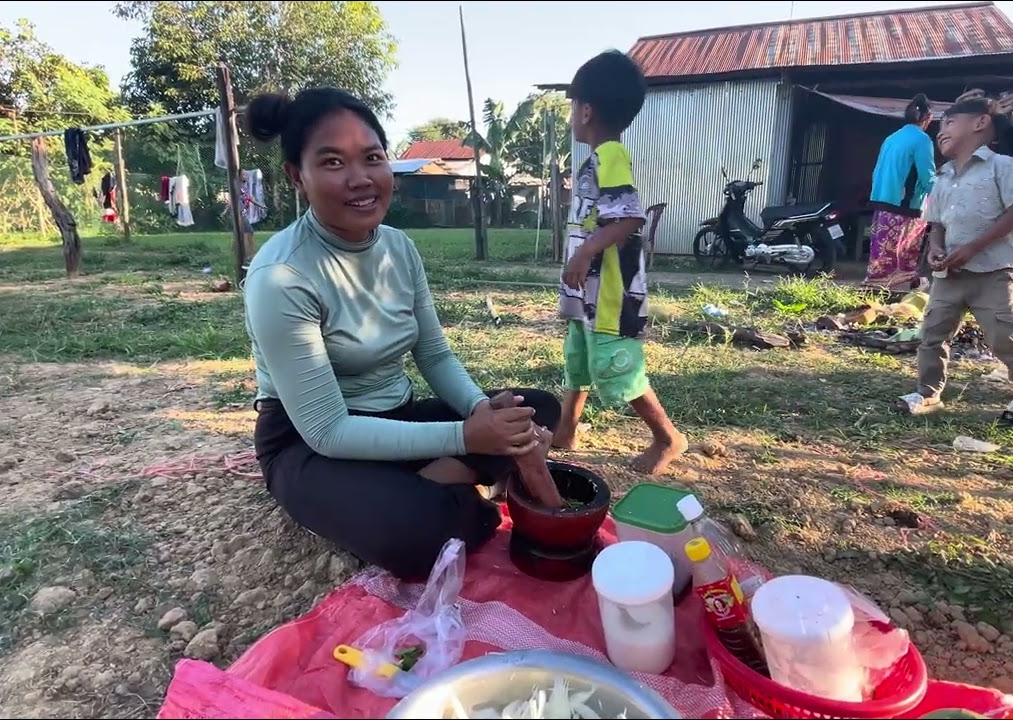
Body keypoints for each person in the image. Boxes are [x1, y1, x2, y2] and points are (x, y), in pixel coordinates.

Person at [241, 87, 561, 580]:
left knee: (536, 409)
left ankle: (431, 482)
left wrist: (482, 414)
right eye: (332, 162)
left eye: (372, 157)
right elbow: (328, 430)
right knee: (419, 536)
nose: (360, 179)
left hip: (398, 414)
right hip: (308, 444)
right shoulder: (281, 277)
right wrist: (465, 436)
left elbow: (433, 354)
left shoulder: (399, 249)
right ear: (296, 177)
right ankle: (443, 492)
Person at [549, 50, 687, 475]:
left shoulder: (611, 155)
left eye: (573, 106)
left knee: (613, 360)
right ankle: (567, 429)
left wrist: (587, 251)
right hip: (586, 286)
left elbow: (629, 216)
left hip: (607, 288)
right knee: (579, 354)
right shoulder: (596, 157)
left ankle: (667, 437)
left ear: (586, 110)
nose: (573, 115)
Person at [895, 90, 1013, 426]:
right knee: (932, 334)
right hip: (949, 275)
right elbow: (936, 223)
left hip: (992, 272)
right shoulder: (943, 176)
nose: (941, 130)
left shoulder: (1003, 167)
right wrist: (935, 248)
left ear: (980, 123)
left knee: (1005, 337)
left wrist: (973, 247)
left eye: (950, 122)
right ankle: (928, 393)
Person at [863, 93, 937, 290]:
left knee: (882, 249)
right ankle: (901, 285)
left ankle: (877, 283)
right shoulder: (922, 140)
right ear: (928, 118)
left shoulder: (891, 138)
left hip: (882, 198)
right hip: (906, 203)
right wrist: (943, 195)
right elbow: (927, 175)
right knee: (905, 248)